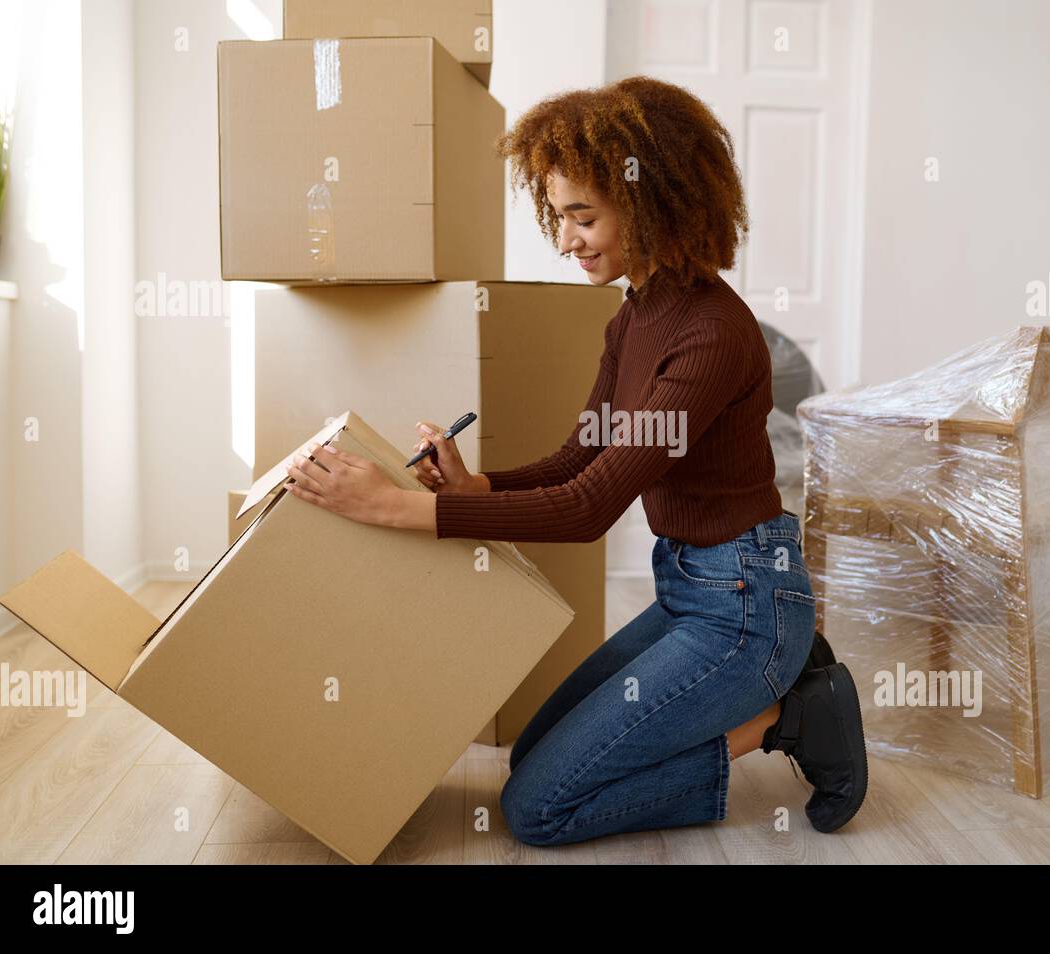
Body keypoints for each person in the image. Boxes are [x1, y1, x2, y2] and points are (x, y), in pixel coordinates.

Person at [284, 75, 868, 846]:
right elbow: (580, 458)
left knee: (537, 808)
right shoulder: (634, 317)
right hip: (691, 590)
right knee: (532, 755)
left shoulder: (712, 334)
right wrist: (478, 485)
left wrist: (394, 507)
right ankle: (763, 702)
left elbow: (590, 508)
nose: (565, 240)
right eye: (558, 216)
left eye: (581, 216)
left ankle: (789, 717)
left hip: (744, 609)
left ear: (652, 199)